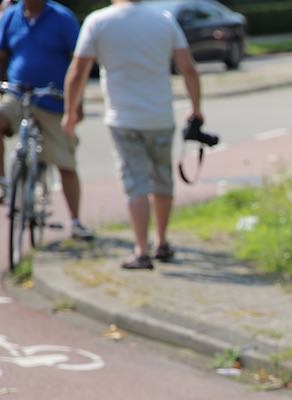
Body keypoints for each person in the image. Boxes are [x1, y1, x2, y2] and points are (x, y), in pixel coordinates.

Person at [62, 0, 203, 269]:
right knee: (162, 179)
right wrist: (196, 108)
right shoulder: (163, 20)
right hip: (160, 115)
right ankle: (161, 242)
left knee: (136, 183)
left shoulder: (98, 21)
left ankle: (141, 250)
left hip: (123, 117)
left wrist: (70, 112)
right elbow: (189, 68)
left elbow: (78, 70)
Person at [0, 0, 92, 240]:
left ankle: (75, 221)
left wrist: (76, 103)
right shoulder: (12, 16)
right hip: (17, 95)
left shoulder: (62, 18)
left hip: (52, 99)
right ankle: (2, 182)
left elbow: (79, 62)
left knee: (65, 161)